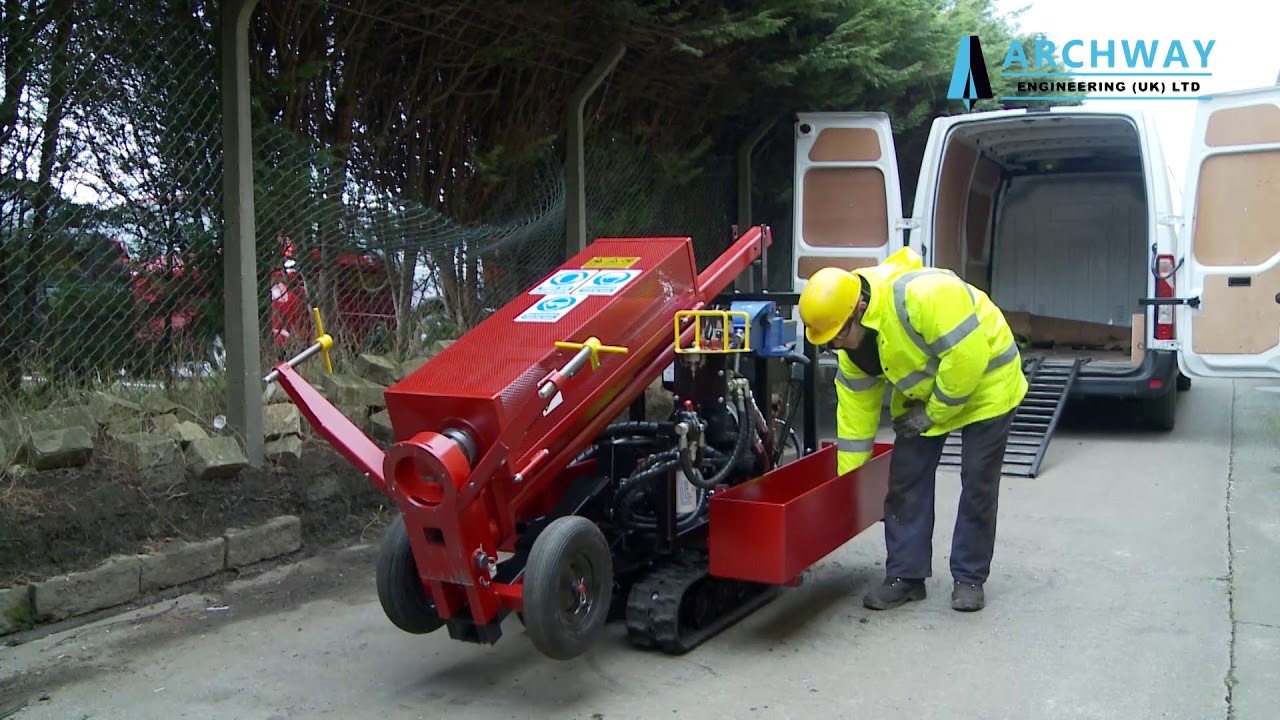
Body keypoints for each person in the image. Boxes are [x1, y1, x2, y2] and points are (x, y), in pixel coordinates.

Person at [797, 247, 1027, 612]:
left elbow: (966, 360)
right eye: (826, 341)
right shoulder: (850, 344)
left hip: (987, 386)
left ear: (858, 309)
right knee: (906, 480)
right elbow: (856, 416)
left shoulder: (924, 296)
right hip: (926, 394)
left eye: (837, 336)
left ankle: (969, 579)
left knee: (977, 483)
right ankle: (906, 577)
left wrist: (933, 413)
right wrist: (848, 485)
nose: (833, 345)